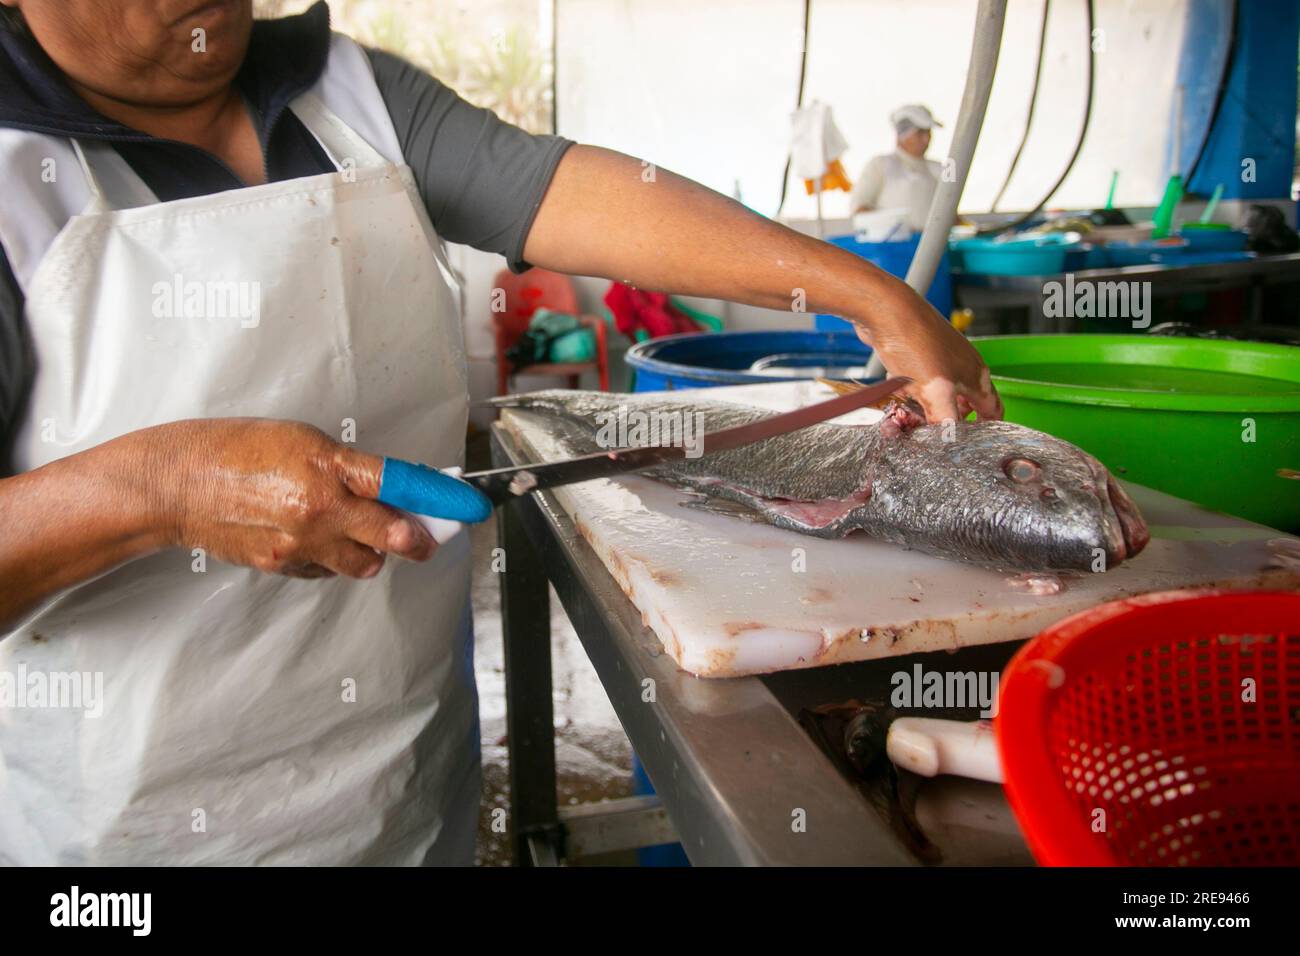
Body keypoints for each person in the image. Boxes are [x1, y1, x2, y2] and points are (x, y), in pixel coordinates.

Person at [0, 1, 1001, 865]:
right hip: (129, 832)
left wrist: (861, 295)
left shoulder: (350, 93)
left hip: (399, 773)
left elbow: (566, 188)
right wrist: (159, 489)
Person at [851, 104, 945, 232]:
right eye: (920, 133)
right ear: (903, 134)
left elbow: (949, 210)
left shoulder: (938, 167)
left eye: (929, 133)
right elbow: (859, 209)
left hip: (938, 247)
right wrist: (900, 230)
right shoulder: (880, 164)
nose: (927, 139)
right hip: (893, 248)